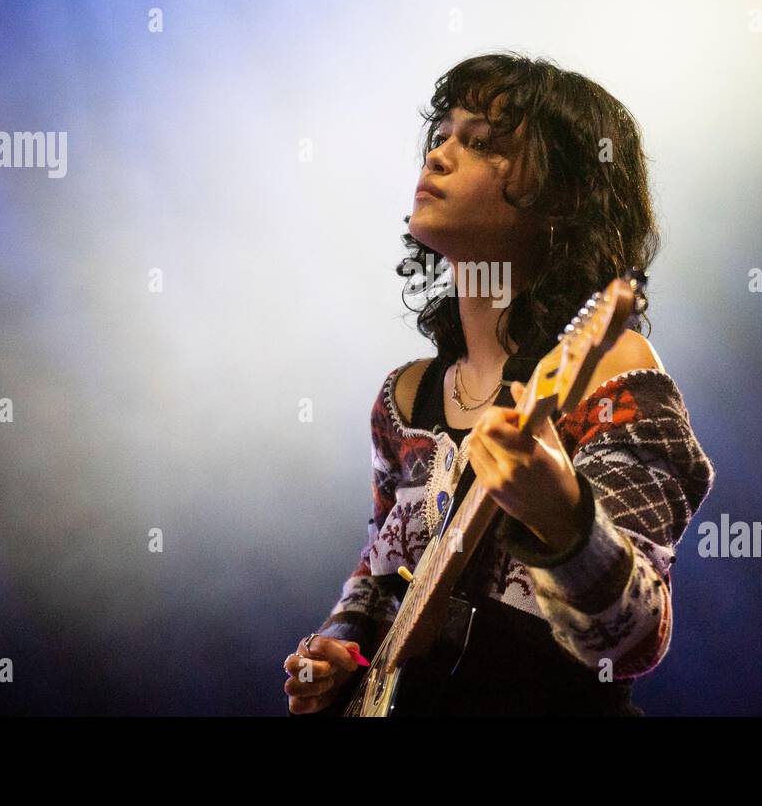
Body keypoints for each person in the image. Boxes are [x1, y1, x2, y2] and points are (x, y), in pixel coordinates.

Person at [283, 52, 716, 715]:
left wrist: (559, 509)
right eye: (441, 135)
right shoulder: (403, 400)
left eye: (481, 143)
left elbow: (630, 641)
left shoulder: (611, 372)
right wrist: (341, 650)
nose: (438, 155)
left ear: (565, 197)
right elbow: (377, 578)